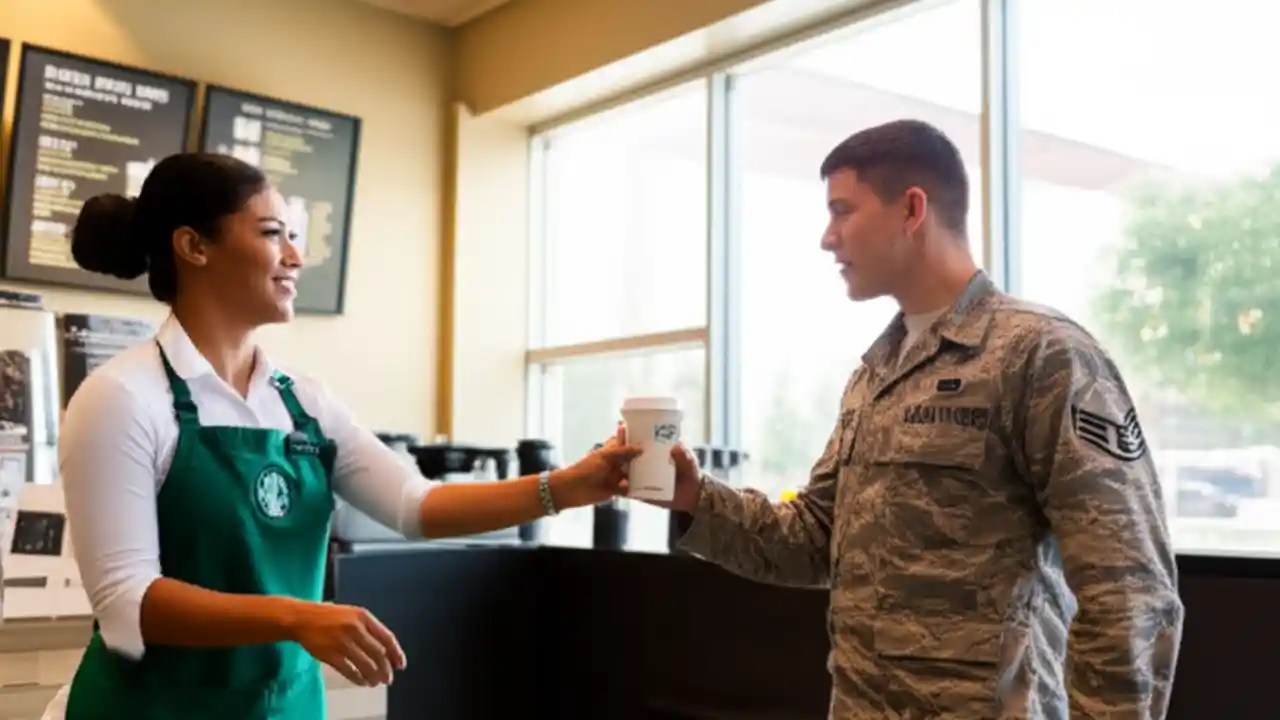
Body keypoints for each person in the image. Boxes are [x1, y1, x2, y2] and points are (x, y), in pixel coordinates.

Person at [42, 152, 641, 720]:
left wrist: (567, 487)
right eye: (273, 233)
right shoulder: (120, 397)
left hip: (283, 706)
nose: (295, 258)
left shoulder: (303, 401)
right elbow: (128, 601)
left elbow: (415, 505)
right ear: (194, 246)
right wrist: (296, 618)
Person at [654, 120, 1185, 718]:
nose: (827, 238)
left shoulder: (1043, 354)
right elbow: (813, 540)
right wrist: (696, 497)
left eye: (842, 211)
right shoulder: (875, 374)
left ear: (911, 209)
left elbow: (1129, 588)